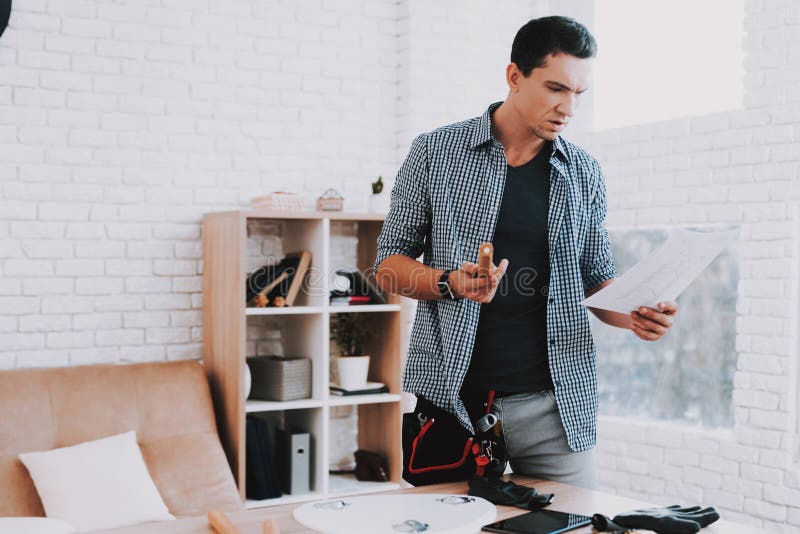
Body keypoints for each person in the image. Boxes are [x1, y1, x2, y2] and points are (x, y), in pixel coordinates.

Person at [373, 16, 678, 489]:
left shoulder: (584, 173)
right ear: (514, 76)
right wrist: (450, 283)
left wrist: (634, 314)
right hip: (455, 399)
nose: (568, 107)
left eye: (579, 93)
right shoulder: (435, 153)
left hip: (556, 409)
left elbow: (598, 280)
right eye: (556, 88)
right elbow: (388, 267)